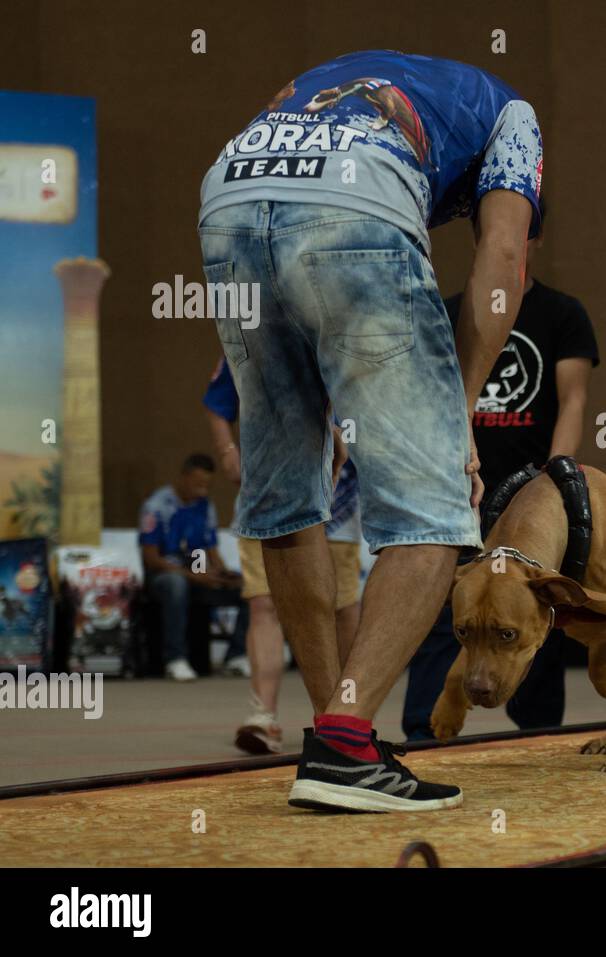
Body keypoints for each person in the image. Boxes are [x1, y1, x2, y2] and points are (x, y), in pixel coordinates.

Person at [197, 50, 541, 812]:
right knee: (433, 506)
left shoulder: (327, 77)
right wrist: (461, 413)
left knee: (287, 492)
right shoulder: (513, 114)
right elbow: (505, 256)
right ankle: (349, 739)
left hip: (227, 200)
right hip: (355, 205)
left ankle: (334, 738)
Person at [402, 199, 599, 738]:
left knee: (532, 608)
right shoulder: (448, 312)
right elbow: (426, 396)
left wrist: (557, 479)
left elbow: (573, 400)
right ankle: (425, 730)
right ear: (480, 237)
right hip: (459, 484)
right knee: (447, 613)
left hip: (530, 493)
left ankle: (537, 729)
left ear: (534, 239)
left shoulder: (563, 314)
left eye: (522, 233)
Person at [203, 356, 363, 754]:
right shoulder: (251, 328)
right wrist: (227, 450)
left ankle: (347, 715)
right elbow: (218, 402)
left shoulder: (346, 332)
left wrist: (349, 440)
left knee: (341, 607)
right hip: (267, 488)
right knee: (264, 603)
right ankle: (263, 718)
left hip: (339, 497)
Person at [138, 454, 248, 681]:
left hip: (197, 572)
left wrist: (223, 573)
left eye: (207, 485)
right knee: (177, 585)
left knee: (249, 588)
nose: (203, 490)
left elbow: (210, 550)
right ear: (184, 478)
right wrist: (193, 576)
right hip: (164, 574)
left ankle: (236, 656)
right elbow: (151, 558)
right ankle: (175, 658)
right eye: (198, 484)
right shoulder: (156, 506)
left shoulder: (205, 506)